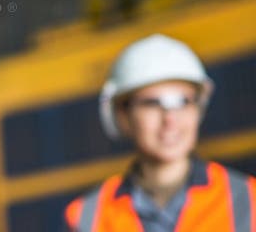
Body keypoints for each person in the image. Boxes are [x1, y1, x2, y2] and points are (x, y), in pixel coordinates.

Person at [64, 34, 256, 231]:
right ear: (122, 114)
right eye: (152, 104)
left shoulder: (249, 201)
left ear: (198, 109)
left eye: (183, 102)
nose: (170, 119)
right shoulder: (88, 218)